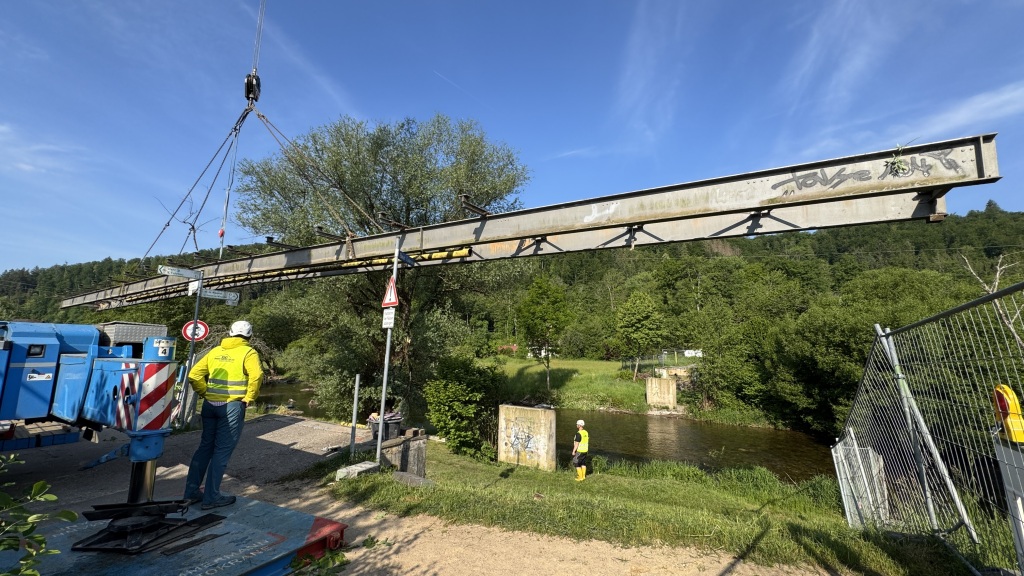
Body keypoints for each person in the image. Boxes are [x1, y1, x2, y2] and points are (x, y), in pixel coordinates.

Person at [183, 320, 263, 510]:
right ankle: (211, 498)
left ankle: (192, 492)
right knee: (221, 451)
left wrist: (204, 392)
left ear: (230, 333)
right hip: (232, 406)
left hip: (209, 406)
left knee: (205, 448)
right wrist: (249, 397)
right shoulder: (248, 352)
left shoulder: (216, 351)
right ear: (249, 336)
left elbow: (194, 375)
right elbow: (257, 376)